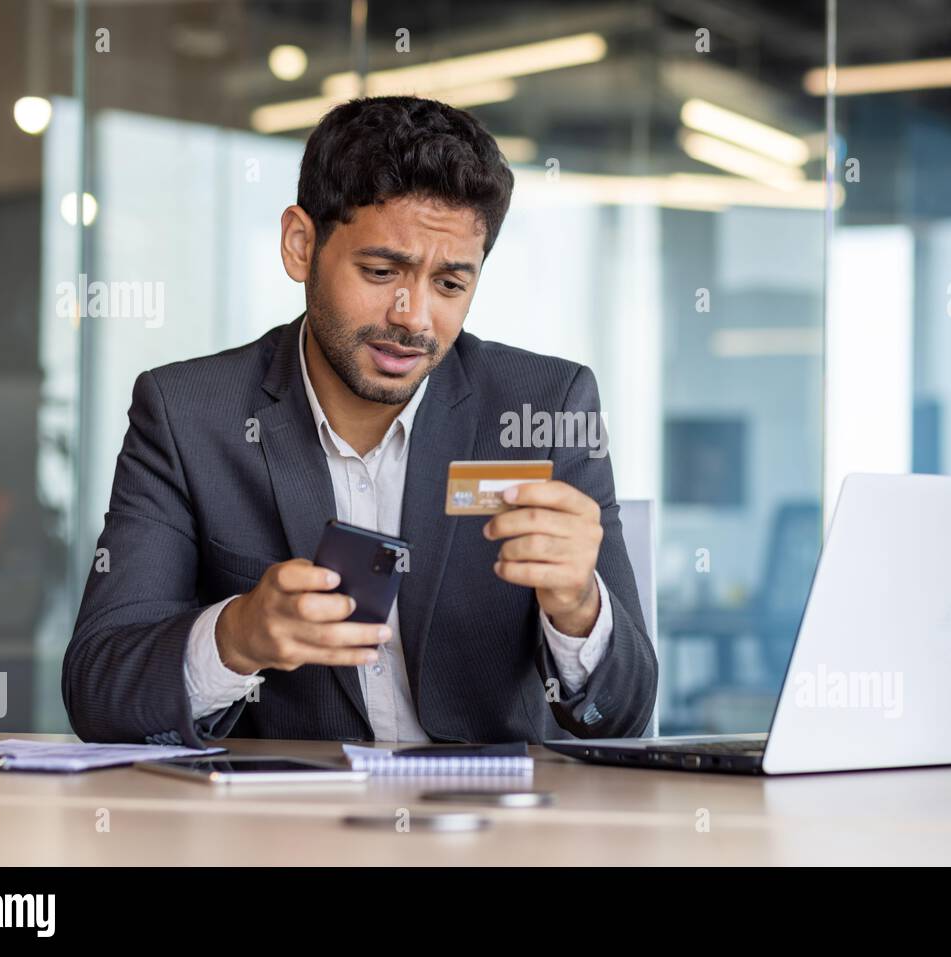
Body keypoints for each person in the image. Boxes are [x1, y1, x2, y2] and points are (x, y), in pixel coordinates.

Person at [62, 95, 657, 746]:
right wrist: (235, 637)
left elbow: (623, 713)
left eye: (451, 285)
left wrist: (578, 607)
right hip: (290, 829)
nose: (413, 316)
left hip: (494, 827)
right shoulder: (188, 414)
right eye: (380, 271)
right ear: (300, 245)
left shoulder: (544, 405)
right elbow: (99, 690)